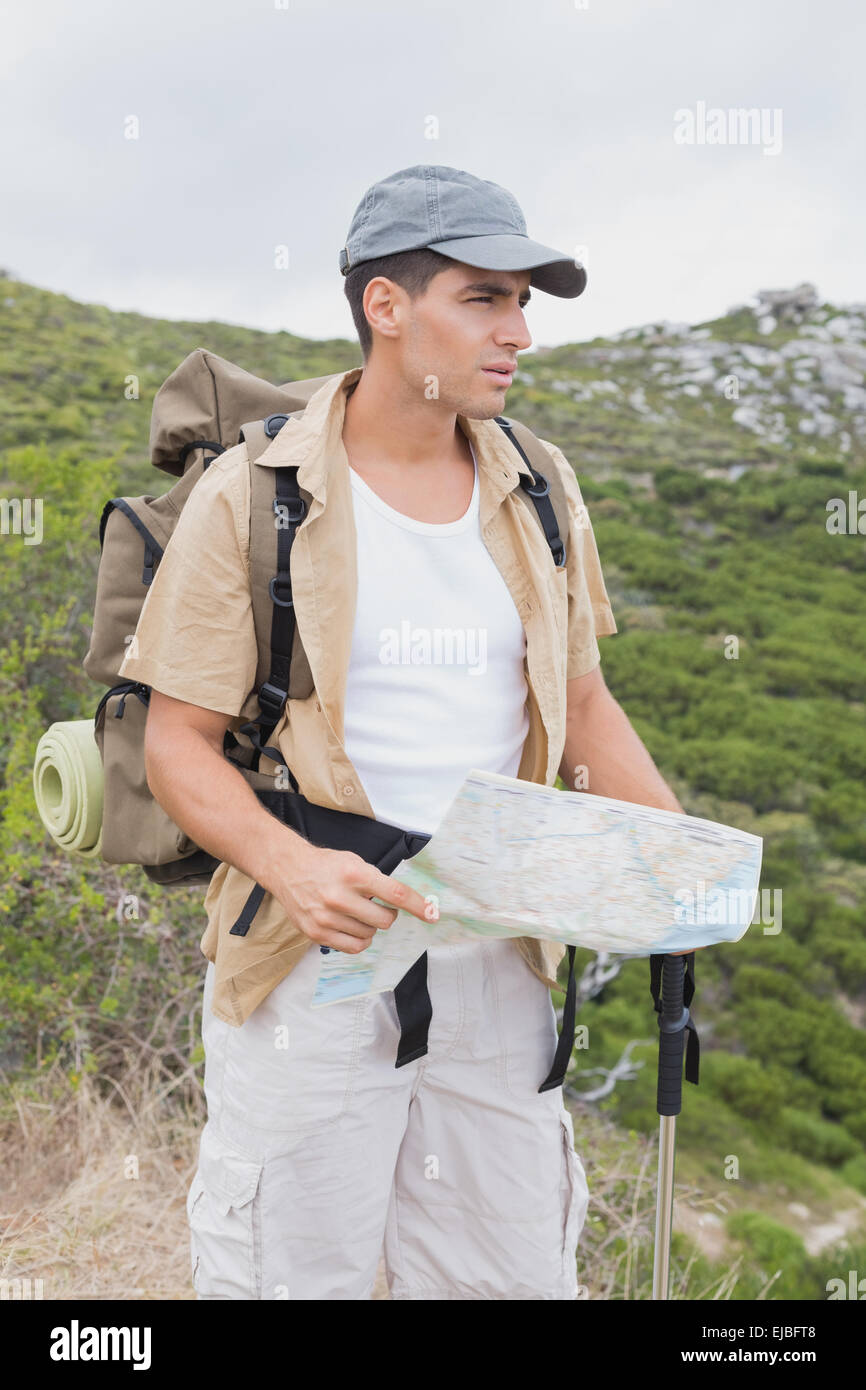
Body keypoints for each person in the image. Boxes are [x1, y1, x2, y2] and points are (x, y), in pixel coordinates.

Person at [117, 164, 684, 1300]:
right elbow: (174, 740)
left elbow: (578, 706)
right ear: (386, 305)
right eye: (483, 298)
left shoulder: (537, 481)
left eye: (521, 301)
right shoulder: (254, 492)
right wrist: (291, 862)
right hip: (310, 958)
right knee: (293, 1275)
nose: (516, 331)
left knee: (508, 1278)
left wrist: (673, 862)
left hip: (503, 956)